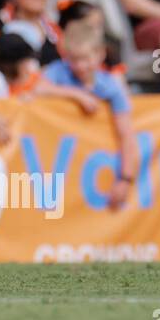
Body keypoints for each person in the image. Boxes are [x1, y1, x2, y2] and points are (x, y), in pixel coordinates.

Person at [41, 21, 138, 210]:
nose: (79, 66)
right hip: (57, 167)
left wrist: (125, 179)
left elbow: (126, 134)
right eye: (73, 59)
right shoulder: (59, 71)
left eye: (85, 59)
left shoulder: (111, 86)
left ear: (100, 54)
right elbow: (38, 89)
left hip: (94, 175)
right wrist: (77, 95)